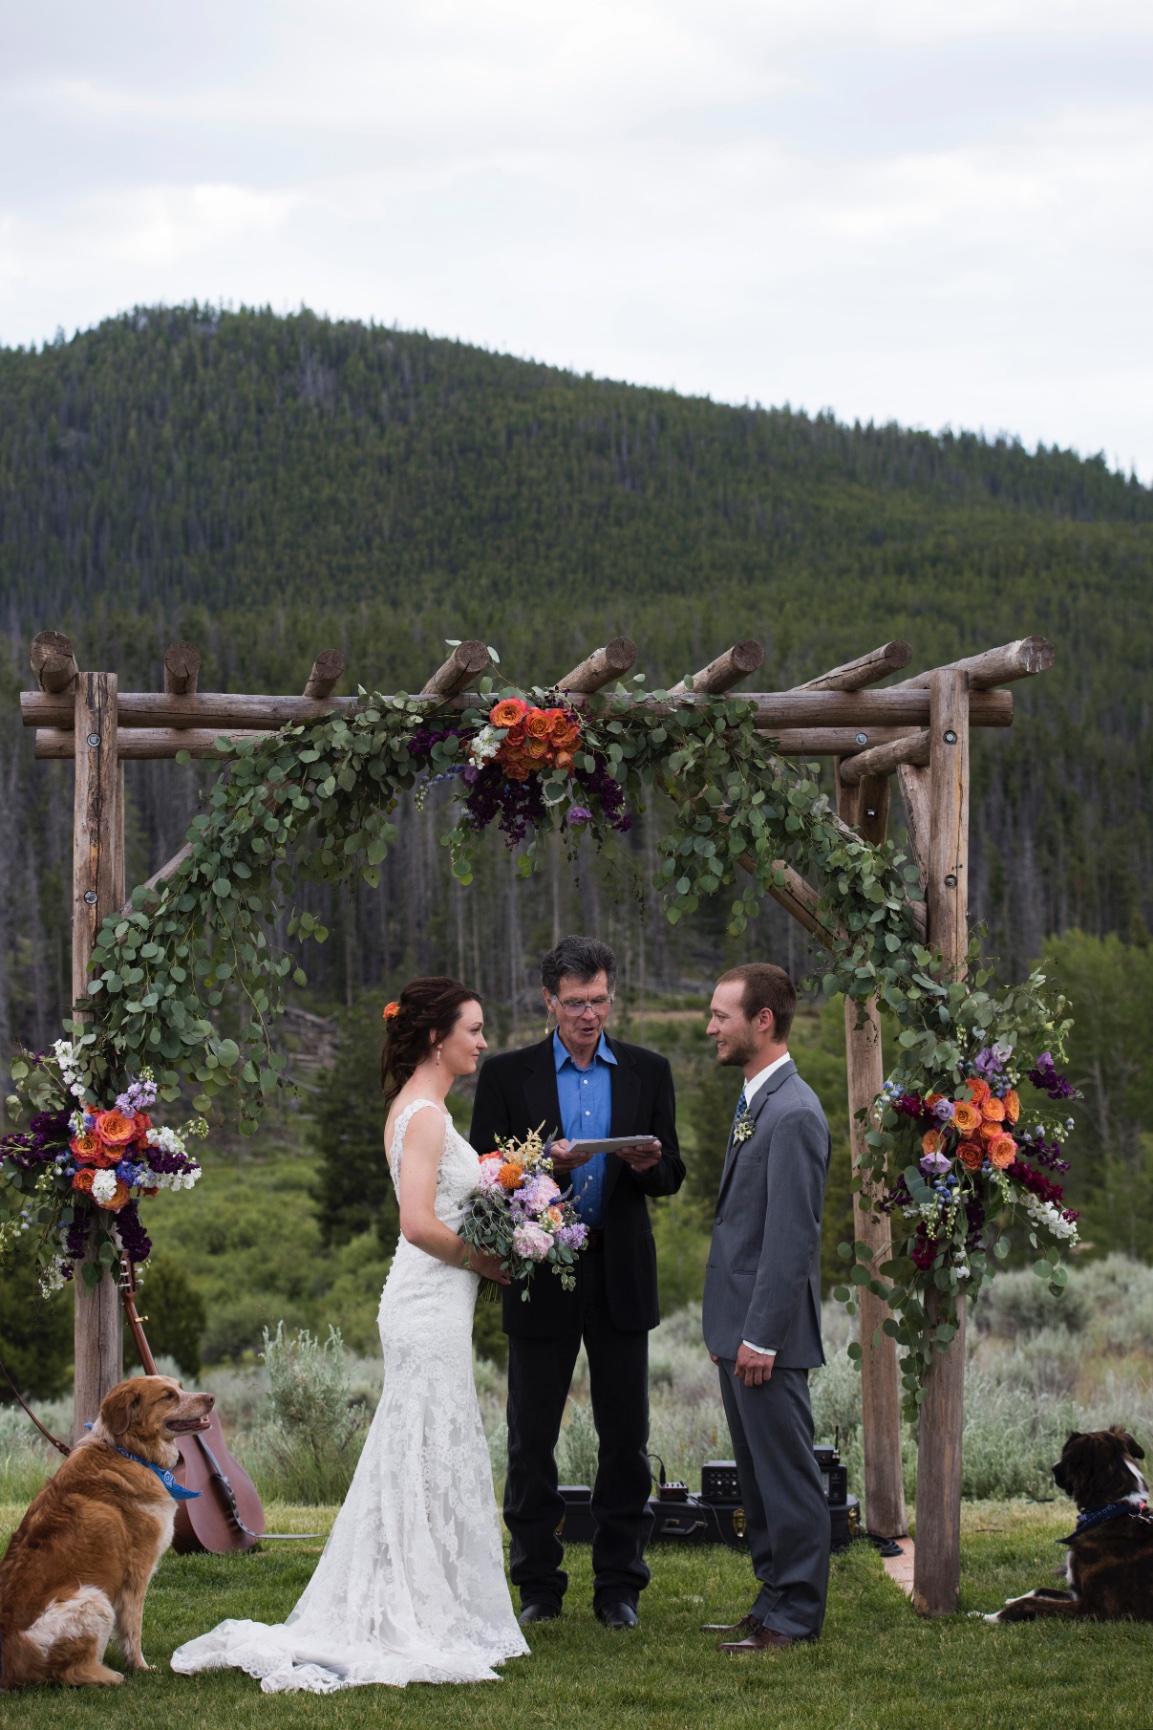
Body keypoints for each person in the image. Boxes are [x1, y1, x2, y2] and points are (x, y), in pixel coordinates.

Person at [172, 978, 529, 1693]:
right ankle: (415, 1609)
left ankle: (433, 1595)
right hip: (425, 1302)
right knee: (423, 1440)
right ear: (437, 1037)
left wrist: (505, 1183)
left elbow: (451, 1198)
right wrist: (489, 1262)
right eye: (474, 1029)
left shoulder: (422, 1109)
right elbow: (418, 1224)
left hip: (433, 1302)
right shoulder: (425, 1115)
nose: (483, 1042)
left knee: (427, 1442)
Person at [470, 935, 684, 1631]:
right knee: (531, 1438)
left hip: (620, 1270)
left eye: (597, 1001)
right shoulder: (507, 1075)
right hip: (540, 1270)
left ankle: (618, 1585)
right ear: (548, 1001)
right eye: (573, 1004)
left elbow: (672, 1174)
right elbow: (485, 1177)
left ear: (609, 995)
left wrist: (650, 1164)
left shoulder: (648, 1071)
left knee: (625, 1438)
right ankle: (537, 1584)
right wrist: (545, 1169)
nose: (587, 1015)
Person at [700, 963, 832, 1654]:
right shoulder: (758, 1101)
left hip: (764, 1336)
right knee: (757, 1480)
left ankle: (796, 1615)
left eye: (721, 1015)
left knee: (786, 1478)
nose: (709, 1026)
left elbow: (790, 1241)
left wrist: (759, 1336)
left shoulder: (795, 1111)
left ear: (762, 1021)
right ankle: (771, 1595)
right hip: (738, 1329)